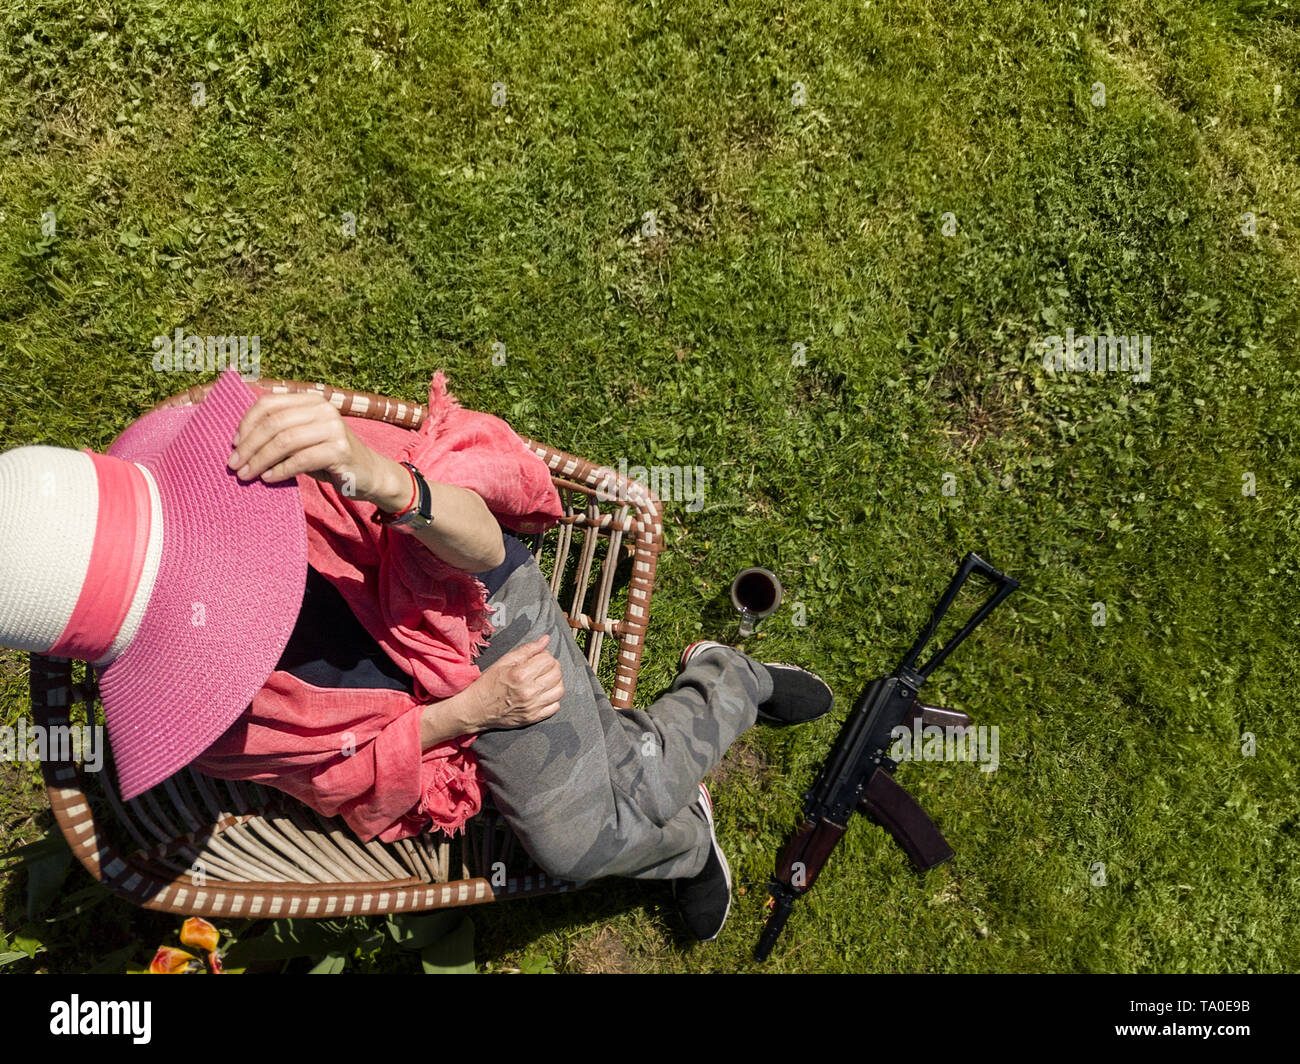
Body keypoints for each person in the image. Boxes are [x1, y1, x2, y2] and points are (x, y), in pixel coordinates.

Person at [0, 368, 833, 940]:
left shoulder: (273, 470)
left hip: (470, 603)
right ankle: (696, 763)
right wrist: (470, 712)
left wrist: (387, 482)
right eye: (190, 629)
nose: (220, 625)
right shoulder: (206, 711)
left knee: (576, 844)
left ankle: (720, 718)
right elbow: (340, 774)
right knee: (589, 824)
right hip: (465, 699)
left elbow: (481, 542)